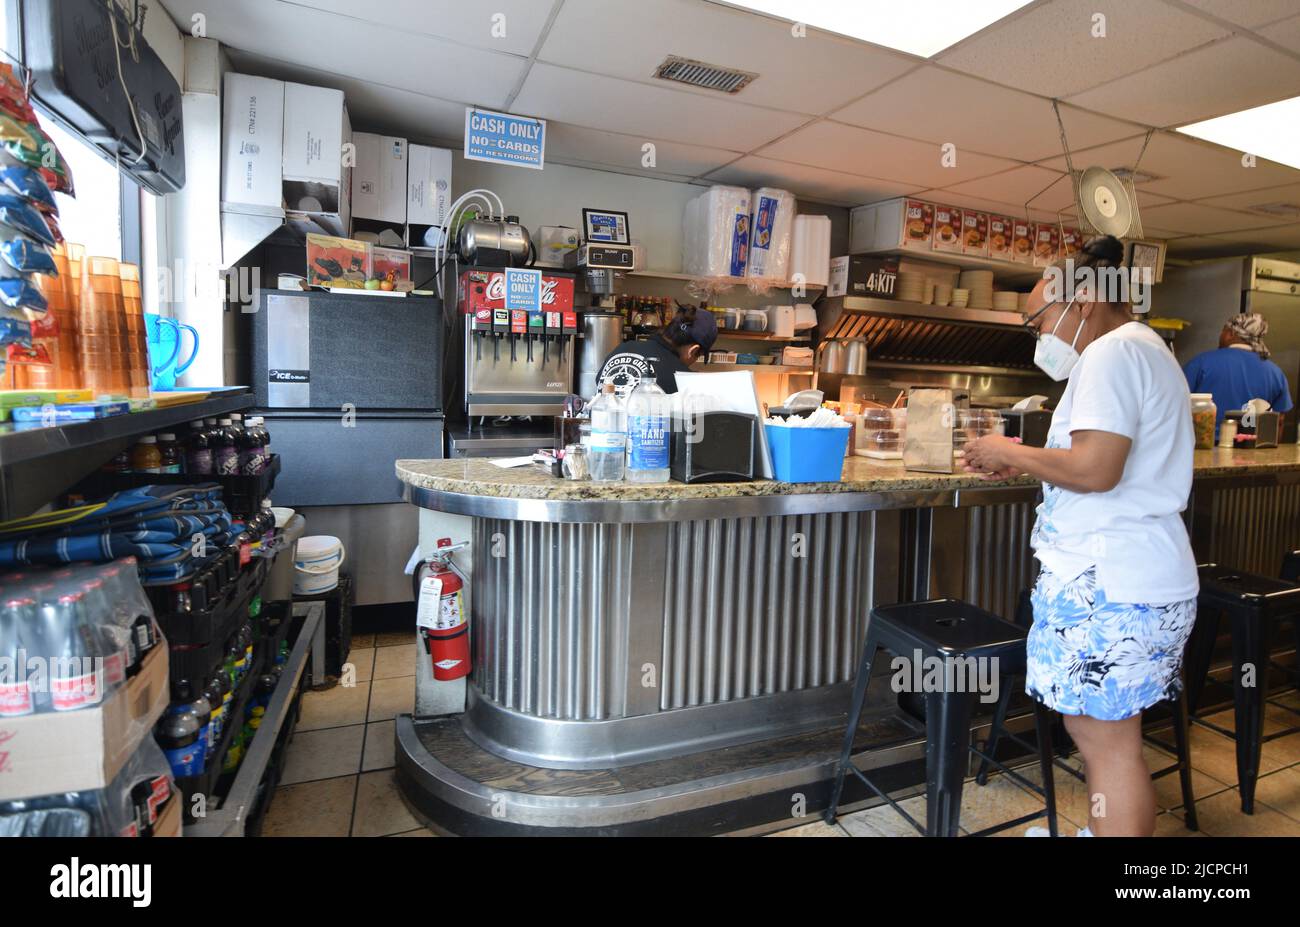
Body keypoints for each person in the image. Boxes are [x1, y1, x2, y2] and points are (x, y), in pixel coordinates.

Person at [962, 235, 1198, 838]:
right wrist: (1030, 461)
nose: (1041, 334)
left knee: (1105, 741)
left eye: (1041, 317)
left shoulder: (1110, 355)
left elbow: (1097, 469)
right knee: (1107, 734)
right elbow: (1098, 459)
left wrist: (1005, 448)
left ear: (1085, 297)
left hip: (1108, 581)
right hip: (1142, 575)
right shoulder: (1148, 348)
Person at [1182, 313, 1292, 429]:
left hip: (1204, 444)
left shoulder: (1201, 363)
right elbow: (1279, 422)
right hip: (1252, 444)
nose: (1221, 335)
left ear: (1231, 333)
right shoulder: (1275, 372)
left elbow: (1176, 403)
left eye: (1223, 331)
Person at [596, 303, 717, 396]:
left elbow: (599, 384)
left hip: (600, 426)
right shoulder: (682, 381)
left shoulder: (623, 348)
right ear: (693, 351)